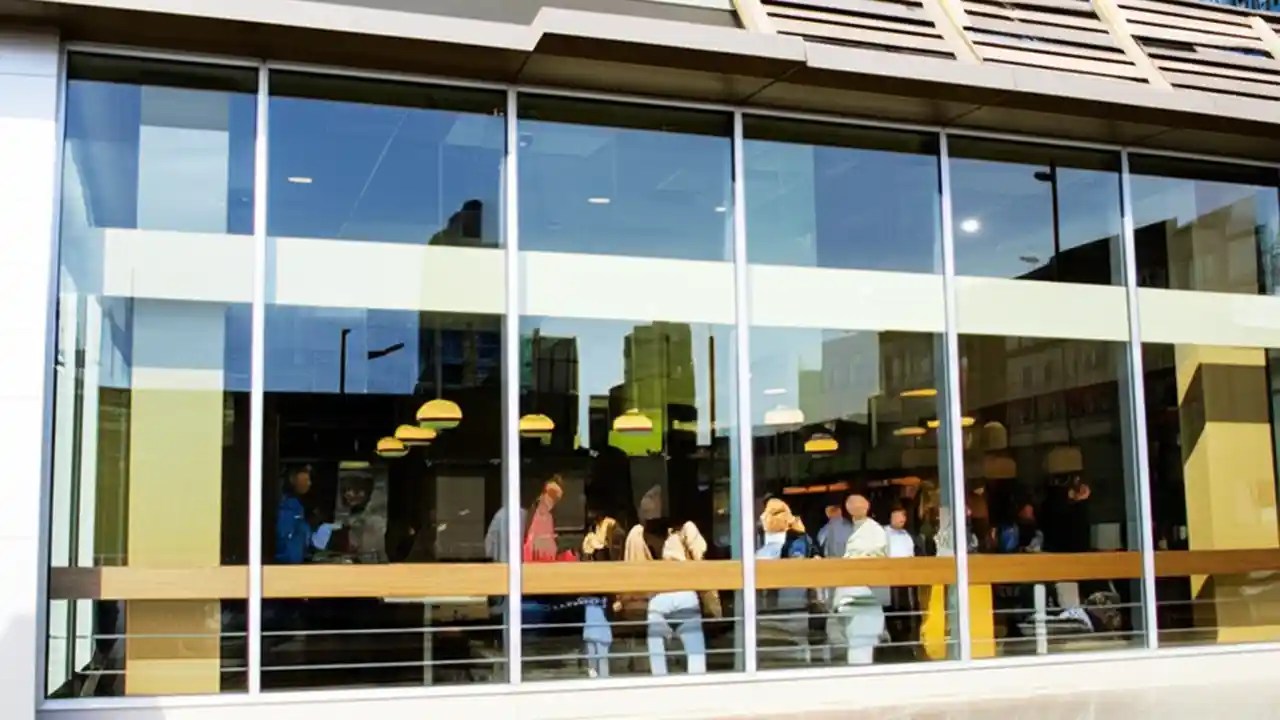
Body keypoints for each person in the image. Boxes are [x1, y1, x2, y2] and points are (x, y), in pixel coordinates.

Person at [831, 494, 888, 665]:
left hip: (864, 590)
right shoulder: (843, 529)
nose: (856, 509)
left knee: (862, 636)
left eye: (860, 505)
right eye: (852, 506)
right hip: (848, 590)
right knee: (854, 636)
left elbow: (877, 555)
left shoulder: (874, 530)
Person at [275, 465, 317, 564]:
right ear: (292, 477)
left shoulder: (297, 506)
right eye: (306, 478)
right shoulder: (285, 506)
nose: (309, 483)